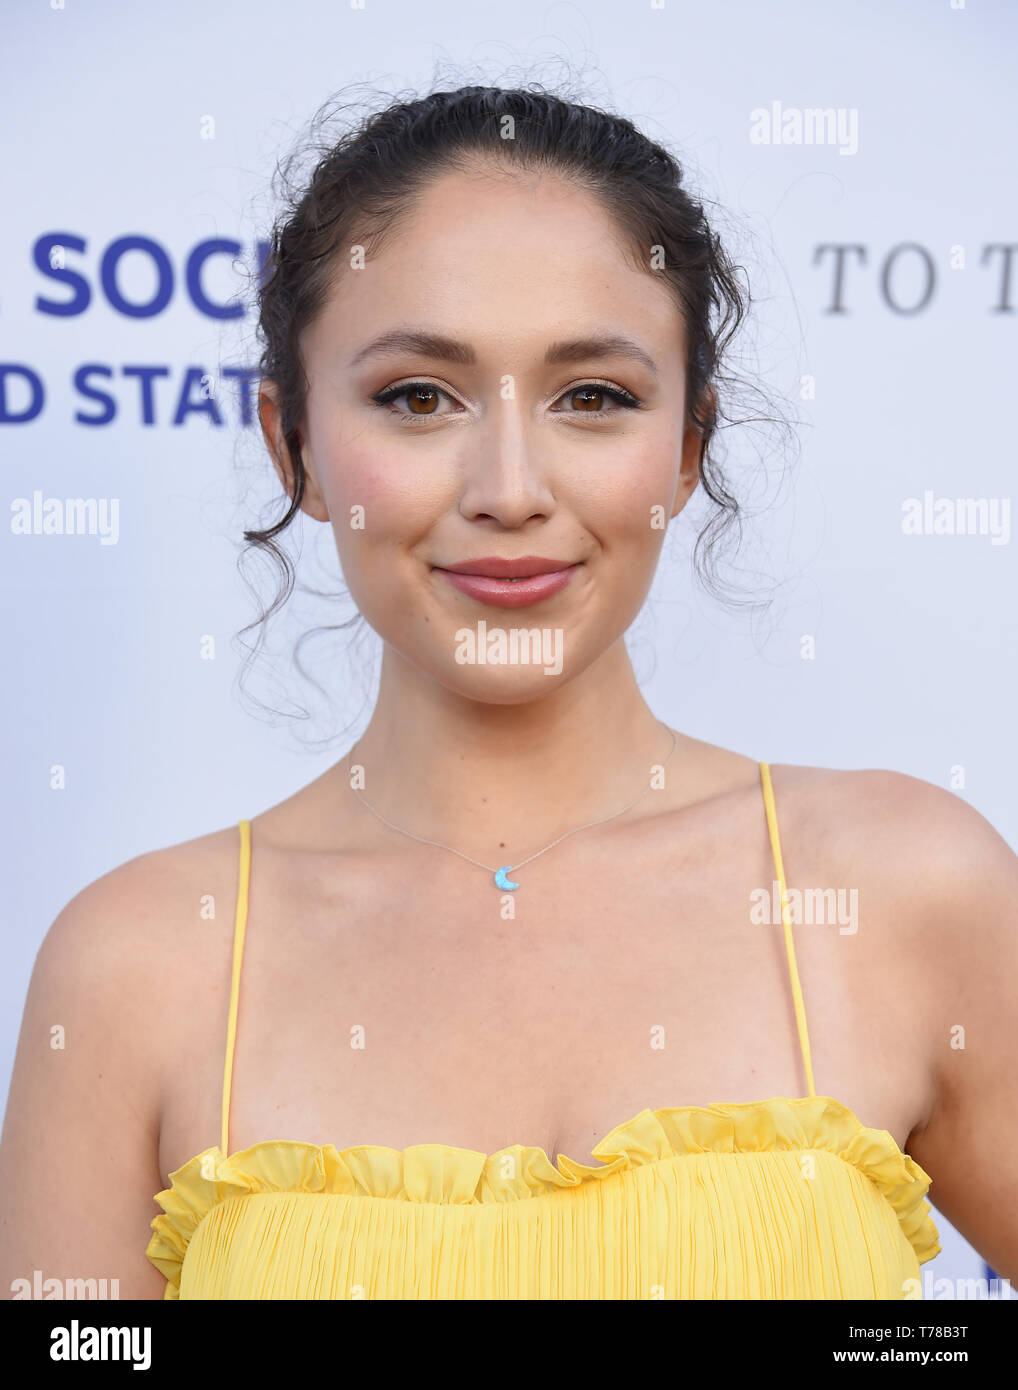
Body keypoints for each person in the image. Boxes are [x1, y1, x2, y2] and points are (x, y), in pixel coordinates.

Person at [2, 85, 1016, 1301]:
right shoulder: (136, 961)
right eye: (417, 396)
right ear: (295, 451)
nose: (510, 487)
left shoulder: (904, 888)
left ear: (686, 451)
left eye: (592, 396)